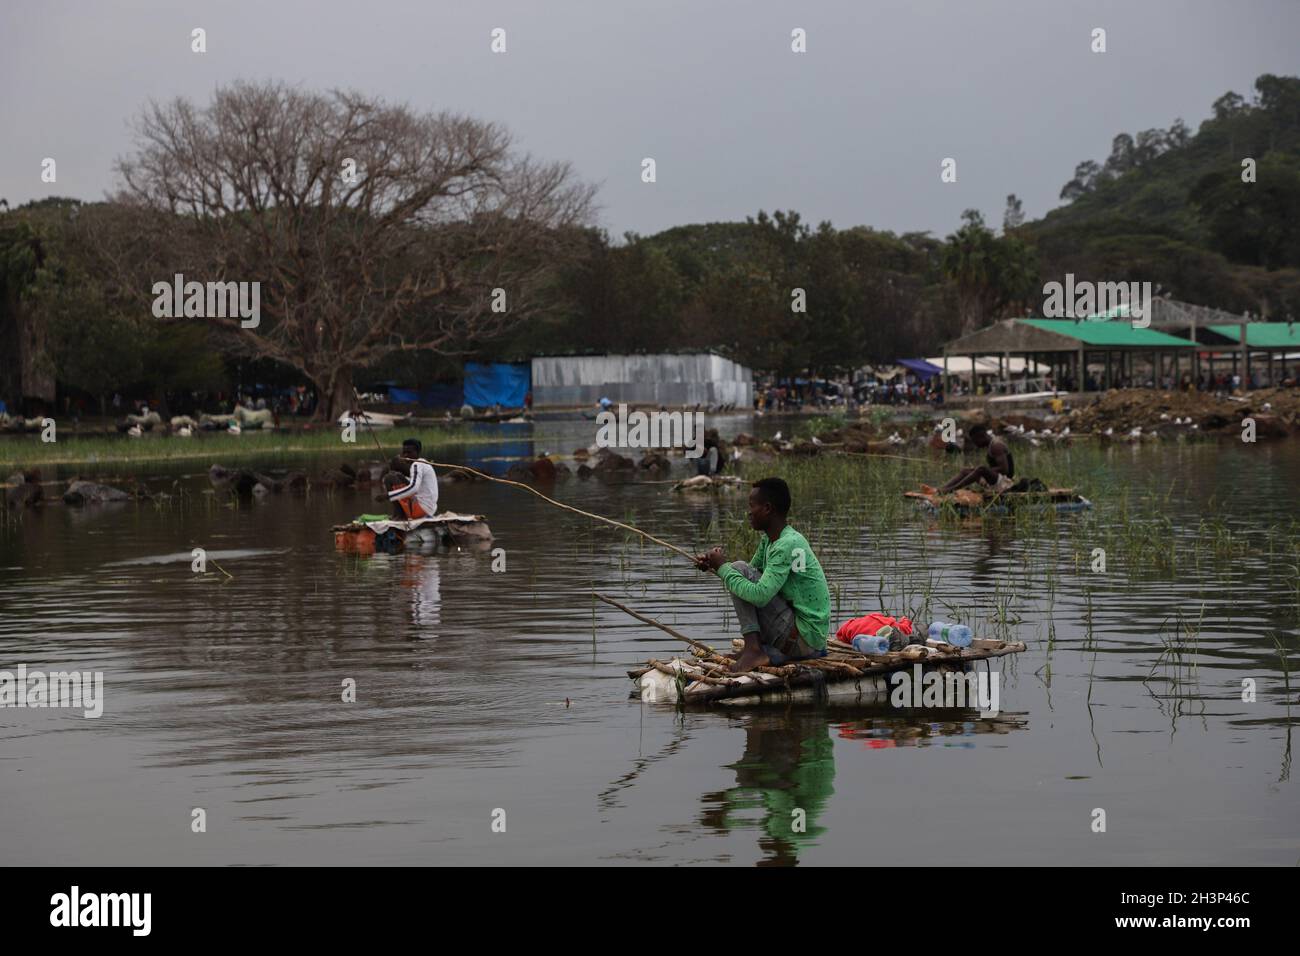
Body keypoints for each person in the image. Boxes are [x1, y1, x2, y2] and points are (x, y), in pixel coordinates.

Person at [695, 477, 831, 674]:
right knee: (738, 569)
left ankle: (754, 650)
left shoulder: (786, 544)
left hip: (803, 640)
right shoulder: (771, 540)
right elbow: (750, 578)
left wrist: (724, 567)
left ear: (767, 508)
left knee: (737, 568)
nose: (749, 512)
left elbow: (758, 595)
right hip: (804, 637)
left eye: (752, 506)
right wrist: (715, 565)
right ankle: (754, 650)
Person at [938, 423, 1014, 494]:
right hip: (997, 481)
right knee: (965, 471)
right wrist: (975, 470)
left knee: (981, 469)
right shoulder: (991, 445)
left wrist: (980, 470)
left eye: (975, 441)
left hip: (1005, 484)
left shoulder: (996, 446)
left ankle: (951, 489)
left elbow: (1004, 469)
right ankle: (941, 489)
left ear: (981, 436)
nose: (975, 444)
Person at [386, 438, 439, 519]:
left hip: (422, 510)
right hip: (430, 509)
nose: (406, 455)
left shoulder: (417, 464)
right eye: (404, 453)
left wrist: (388, 496)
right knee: (396, 476)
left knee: (389, 478)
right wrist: (401, 477)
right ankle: (400, 514)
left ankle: (399, 515)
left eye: (409, 452)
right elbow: (416, 486)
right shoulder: (423, 463)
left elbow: (414, 488)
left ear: (417, 453)